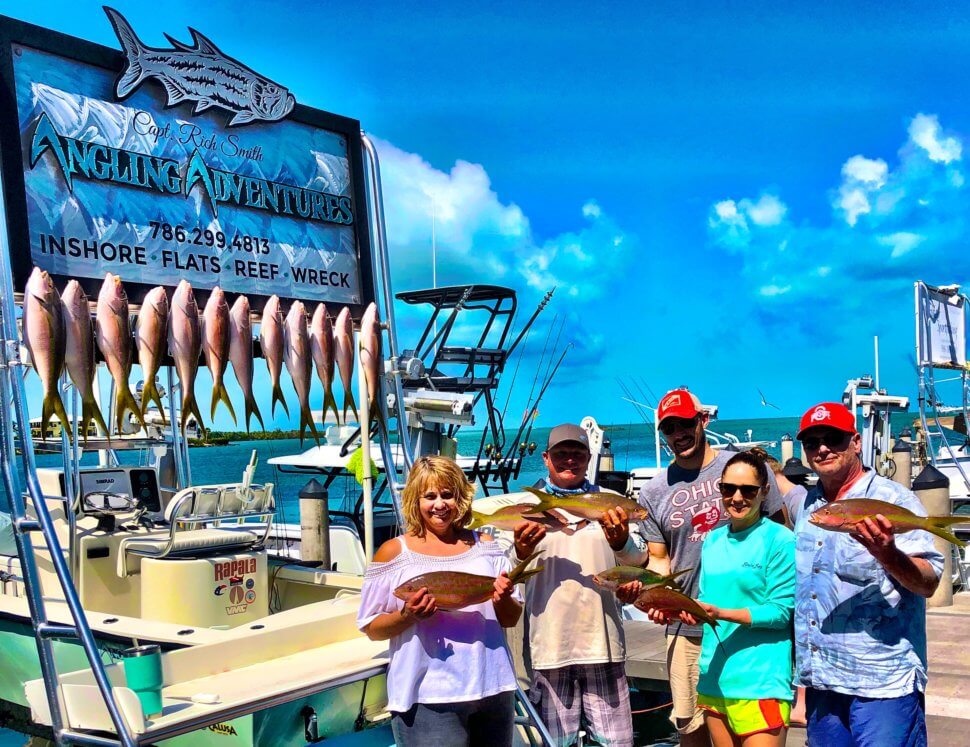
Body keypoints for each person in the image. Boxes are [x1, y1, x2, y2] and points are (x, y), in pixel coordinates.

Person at [608, 388, 785, 746]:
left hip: (749, 628)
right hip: (686, 631)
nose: (678, 434)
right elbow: (660, 560)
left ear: (702, 420)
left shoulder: (741, 468)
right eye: (669, 428)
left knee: (752, 730)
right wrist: (653, 599)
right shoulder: (654, 491)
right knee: (693, 733)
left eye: (685, 423)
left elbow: (779, 532)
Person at [792, 402, 943, 746]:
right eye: (812, 442)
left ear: (856, 442)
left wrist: (888, 554)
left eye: (833, 438)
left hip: (882, 683)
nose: (822, 448)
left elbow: (929, 582)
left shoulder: (893, 499)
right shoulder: (809, 507)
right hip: (823, 682)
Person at [357, 455, 522, 747]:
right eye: (429, 496)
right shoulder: (394, 553)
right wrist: (409, 616)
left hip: (493, 687)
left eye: (448, 495)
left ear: (460, 498)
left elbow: (509, 619)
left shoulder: (486, 546)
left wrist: (503, 596)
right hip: (429, 697)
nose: (440, 504)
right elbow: (371, 628)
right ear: (414, 501)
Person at [511, 423, 635, 747]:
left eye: (577, 454)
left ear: (589, 457)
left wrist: (622, 541)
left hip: (603, 643)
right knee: (556, 742)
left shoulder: (612, 502)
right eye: (561, 454)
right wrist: (520, 551)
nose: (569, 460)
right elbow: (506, 572)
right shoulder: (525, 507)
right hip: (548, 646)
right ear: (546, 458)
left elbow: (636, 564)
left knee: (617, 742)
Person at [677, 450, 796, 746]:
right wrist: (692, 611)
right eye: (728, 489)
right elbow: (705, 598)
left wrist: (721, 613)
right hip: (715, 677)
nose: (737, 497)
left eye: (748, 490)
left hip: (761, 681)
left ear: (764, 492)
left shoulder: (780, 540)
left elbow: (781, 612)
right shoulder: (712, 540)